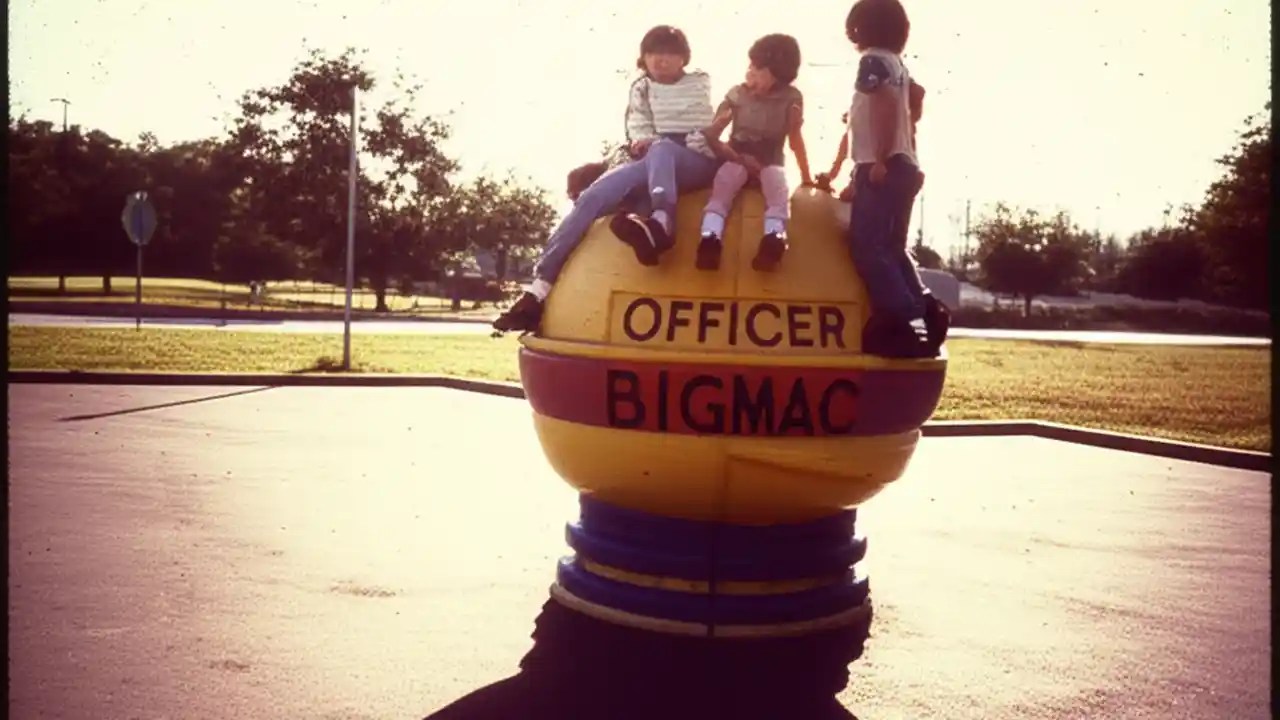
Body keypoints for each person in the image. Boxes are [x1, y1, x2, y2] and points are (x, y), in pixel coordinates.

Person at [493, 25, 718, 334]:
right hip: (653, 156)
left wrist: (655, 139)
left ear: (683, 58)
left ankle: (663, 223)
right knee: (592, 196)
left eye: (670, 53)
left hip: (694, 158)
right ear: (644, 58)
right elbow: (639, 128)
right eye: (653, 53)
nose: (661, 60)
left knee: (664, 148)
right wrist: (644, 143)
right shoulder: (640, 88)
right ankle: (538, 291)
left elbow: (696, 125)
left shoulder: (698, 82)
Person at [838, 0, 946, 357]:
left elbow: (883, 106)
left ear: (859, 28)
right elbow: (916, 98)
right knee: (894, 248)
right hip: (904, 165)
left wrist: (880, 159)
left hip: (882, 165)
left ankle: (904, 321)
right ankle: (926, 311)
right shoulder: (896, 64)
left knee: (867, 247)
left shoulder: (871, 62)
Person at [695, 33, 813, 272]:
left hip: (770, 160)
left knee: (777, 191)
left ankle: (773, 239)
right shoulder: (737, 95)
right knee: (723, 189)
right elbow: (711, 137)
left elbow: (795, 138)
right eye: (750, 68)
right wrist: (732, 150)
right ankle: (710, 239)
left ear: (777, 75)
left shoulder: (791, 99)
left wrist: (806, 176)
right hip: (737, 154)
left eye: (758, 71)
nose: (750, 75)